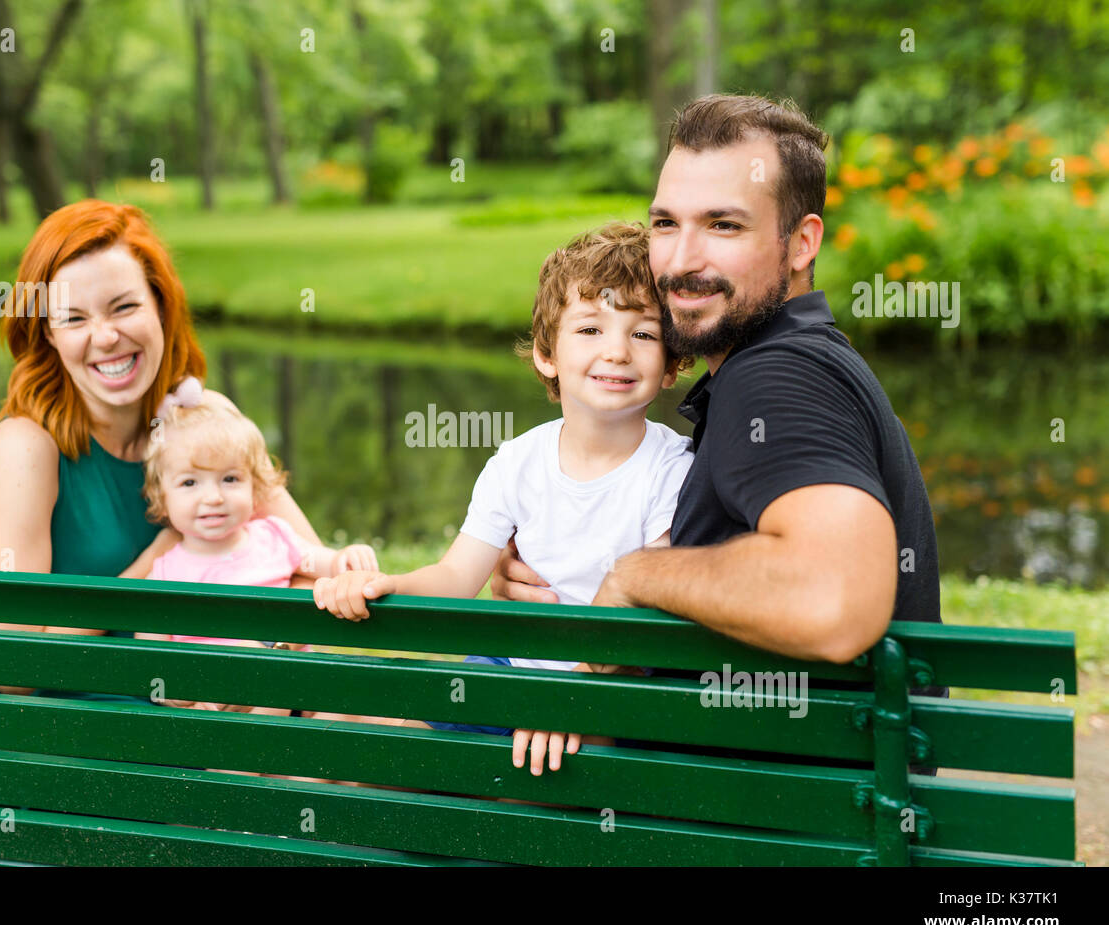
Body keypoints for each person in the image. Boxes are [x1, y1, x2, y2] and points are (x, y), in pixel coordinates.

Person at [493, 95, 945, 720]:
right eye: (666, 224)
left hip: (774, 807)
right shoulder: (794, 361)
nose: (680, 261)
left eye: (724, 225)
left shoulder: (777, 378)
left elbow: (835, 597)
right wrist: (561, 585)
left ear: (800, 243)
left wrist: (635, 578)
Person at [314, 221, 696, 775]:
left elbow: (650, 606)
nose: (617, 351)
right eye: (590, 330)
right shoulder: (517, 462)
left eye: (643, 334)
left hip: (610, 685)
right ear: (547, 354)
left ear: (672, 365)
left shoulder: (670, 470)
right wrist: (389, 584)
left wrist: (573, 697)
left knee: (554, 778)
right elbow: (455, 579)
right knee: (403, 752)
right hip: (508, 666)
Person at [0, 199, 322, 697]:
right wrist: (151, 568)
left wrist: (257, 660)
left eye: (124, 306)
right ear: (47, 334)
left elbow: (313, 567)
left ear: (161, 305)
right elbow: (14, 672)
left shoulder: (202, 417)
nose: (107, 337)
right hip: (90, 743)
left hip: (233, 713)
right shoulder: (26, 449)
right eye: (73, 319)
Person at [133, 377, 377, 711]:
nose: (213, 497)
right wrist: (172, 690)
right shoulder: (163, 575)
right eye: (190, 482)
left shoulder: (274, 538)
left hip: (291, 694)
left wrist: (347, 559)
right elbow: (150, 661)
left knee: (308, 693)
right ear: (162, 497)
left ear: (255, 485)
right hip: (216, 707)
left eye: (230, 479)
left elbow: (327, 564)